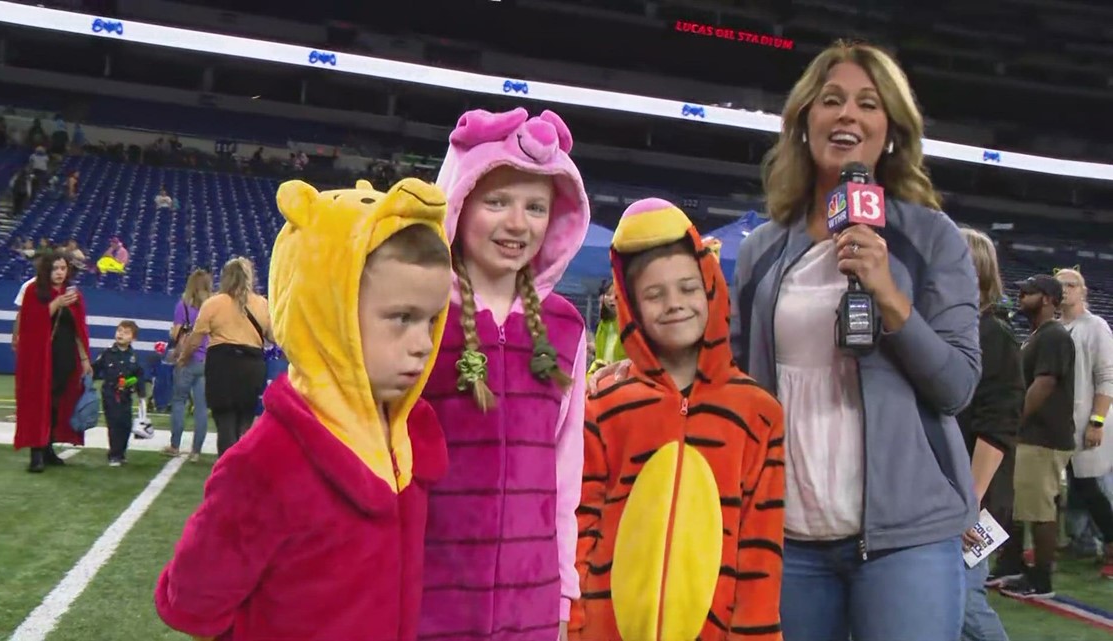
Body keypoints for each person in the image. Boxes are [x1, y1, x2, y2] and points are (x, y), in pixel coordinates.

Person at [593, 41, 980, 641]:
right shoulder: (762, 249)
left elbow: (955, 386)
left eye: (867, 104)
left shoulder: (933, 239)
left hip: (907, 536)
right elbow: (727, 373)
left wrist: (888, 295)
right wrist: (633, 371)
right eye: (831, 101)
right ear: (805, 123)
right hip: (786, 533)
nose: (847, 115)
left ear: (891, 131)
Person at [156, 177, 453, 640]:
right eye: (402, 318)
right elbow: (194, 603)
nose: (423, 343)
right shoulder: (266, 463)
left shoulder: (407, 442)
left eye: (432, 320)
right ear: (326, 311)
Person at [572, 199, 785, 641]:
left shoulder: (758, 412)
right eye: (654, 294)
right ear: (631, 307)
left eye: (688, 288)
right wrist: (573, 625)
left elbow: (760, 547)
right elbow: (581, 520)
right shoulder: (604, 403)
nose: (674, 304)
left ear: (710, 288)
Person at [418, 107, 590, 641]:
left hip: (531, 602)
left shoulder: (565, 327)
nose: (518, 224)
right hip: (427, 596)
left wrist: (562, 594)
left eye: (536, 207)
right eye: (497, 202)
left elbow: (567, 475)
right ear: (459, 202)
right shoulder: (421, 311)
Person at [956, 228, 1021, 641]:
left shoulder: (993, 334)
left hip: (971, 498)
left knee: (963, 602)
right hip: (953, 494)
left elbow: (996, 427)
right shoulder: (962, 332)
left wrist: (969, 499)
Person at [992, 275, 1075, 598]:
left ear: (1048, 299)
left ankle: (1042, 581)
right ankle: (1013, 565)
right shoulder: (1037, 335)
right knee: (1018, 506)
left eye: (1030, 291)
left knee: (1039, 511)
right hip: (1030, 436)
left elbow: (1045, 384)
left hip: (1044, 437)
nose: (1021, 293)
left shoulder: (1053, 336)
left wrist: (1013, 422)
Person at [177, 257, 272, 456]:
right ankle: (243, 463)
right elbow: (272, 336)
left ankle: (228, 465)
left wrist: (183, 358)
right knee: (245, 416)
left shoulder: (213, 303)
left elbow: (195, 340)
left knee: (225, 418)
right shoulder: (262, 304)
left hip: (223, 364)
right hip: (252, 364)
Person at [1053, 268, 1113, 578]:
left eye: (1071, 284)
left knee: (1091, 486)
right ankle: (1082, 543)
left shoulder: (1096, 327)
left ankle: (1111, 546)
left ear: (1083, 291)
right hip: (1060, 423)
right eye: (1060, 285)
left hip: (1087, 420)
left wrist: (1097, 421)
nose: (1065, 289)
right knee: (1073, 486)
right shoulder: (1055, 326)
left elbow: (1106, 377)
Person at [14, 252, 92, 473]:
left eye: (63, 269)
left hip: (65, 358)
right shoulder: (33, 291)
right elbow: (30, 323)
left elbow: (79, 329)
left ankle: (48, 448)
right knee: (38, 403)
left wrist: (85, 358)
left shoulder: (74, 294)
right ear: (46, 270)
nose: (59, 273)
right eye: (55, 268)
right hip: (40, 359)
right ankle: (36, 453)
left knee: (57, 404)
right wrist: (56, 303)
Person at [163, 269, 212, 462]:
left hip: (187, 358)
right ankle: (196, 451)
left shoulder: (182, 305)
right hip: (207, 360)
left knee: (179, 401)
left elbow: (175, 334)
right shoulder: (214, 306)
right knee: (201, 407)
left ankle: (175, 445)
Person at [92, 320, 146, 467]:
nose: (121, 334)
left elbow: (138, 375)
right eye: (119, 331)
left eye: (126, 332)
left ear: (133, 339)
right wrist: (86, 382)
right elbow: (95, 369)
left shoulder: (133, 356)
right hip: (110, 393)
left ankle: (121, 452)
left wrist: (141, 393)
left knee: (125, 424)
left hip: (126, 395)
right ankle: (114, 454)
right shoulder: (107, 353)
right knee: (114, 423)